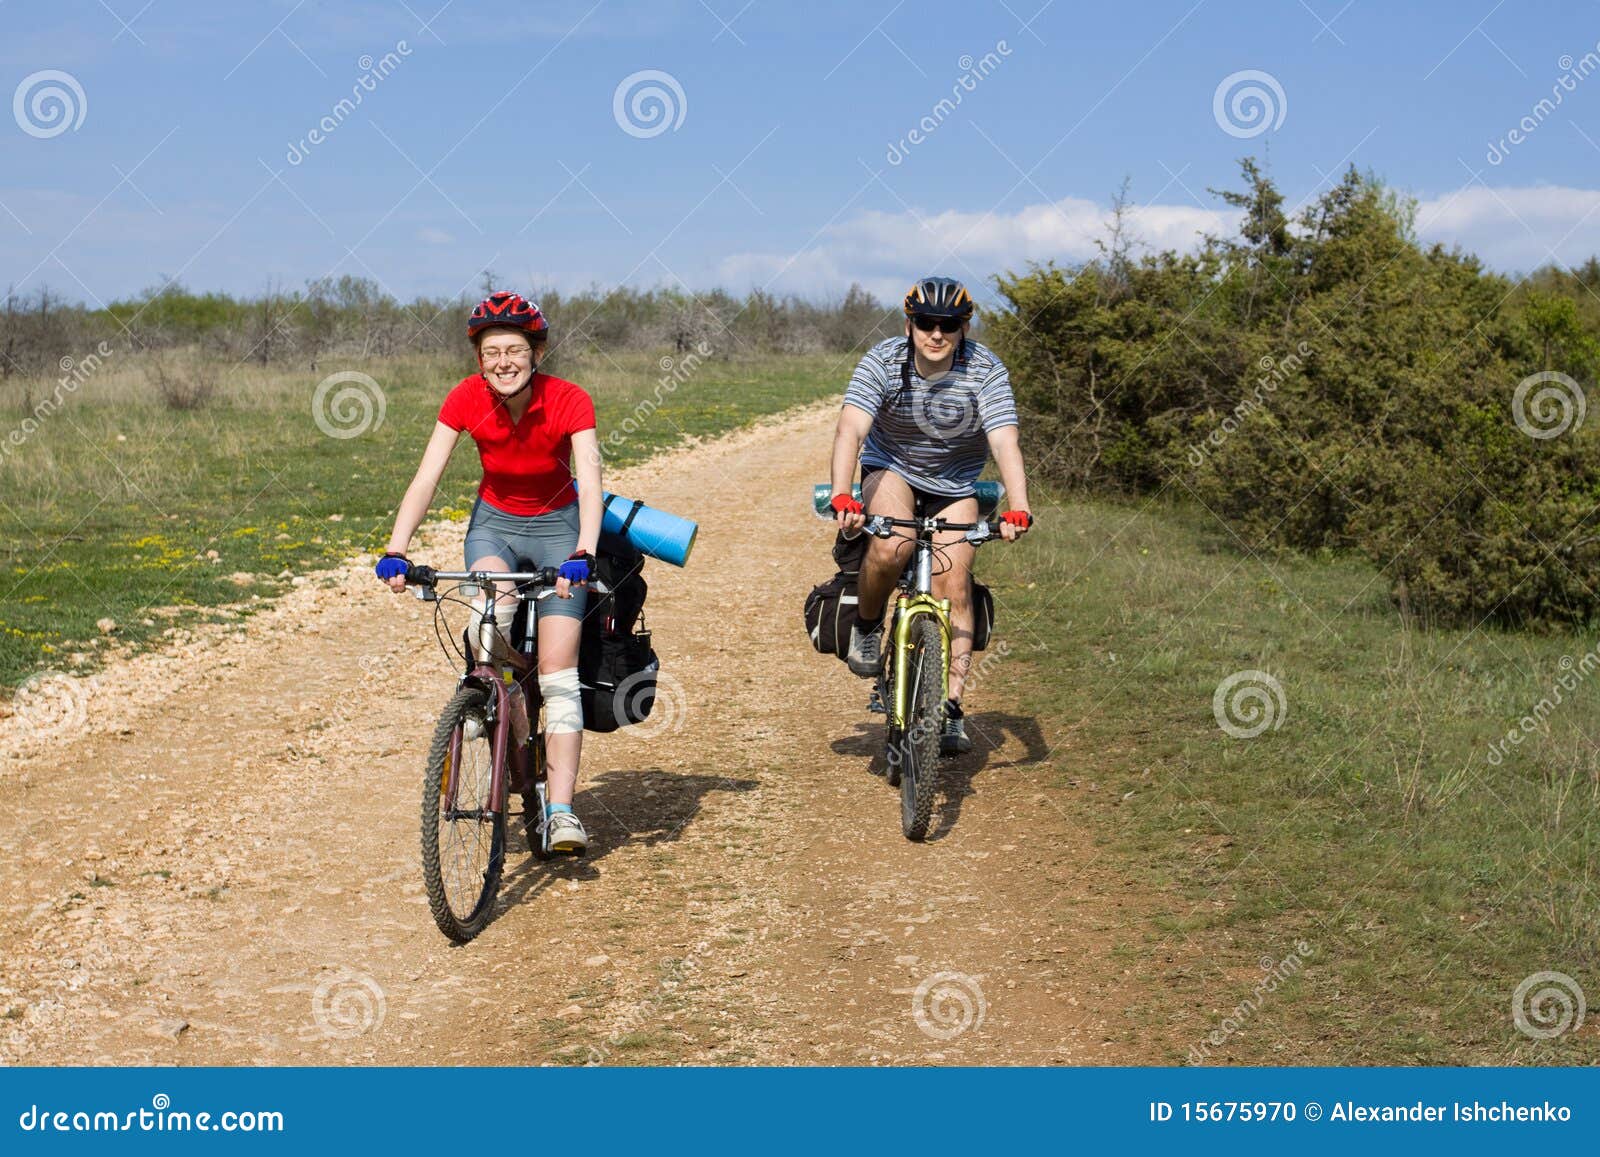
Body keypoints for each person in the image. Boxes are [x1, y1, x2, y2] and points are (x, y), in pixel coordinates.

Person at [376, 291, 602, 852]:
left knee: (558, 673)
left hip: (560, 530)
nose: (504, 362)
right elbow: (427, 477)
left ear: (537, 353)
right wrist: (397, 548)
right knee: (489, 612)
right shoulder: (464, 398)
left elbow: (592, 480)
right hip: (494, 526)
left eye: (516, 350)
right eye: (492, 351)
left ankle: (563, 812)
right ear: (479, 358)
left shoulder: (570, 399)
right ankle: (495, 694)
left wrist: (585, 551)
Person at [828, 276, 1033, 755]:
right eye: (925, 323)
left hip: (957, 481)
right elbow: (850, 430)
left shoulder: (985, 368)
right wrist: (843, 496)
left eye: (948, 325)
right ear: (909, 324)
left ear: (964, 328)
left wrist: (1019, 507)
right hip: (892, 468)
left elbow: (1005, 440)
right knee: (892, 545)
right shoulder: (883, 360)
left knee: (955, 582)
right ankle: (868, 623)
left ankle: (950, 710)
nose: (935, 334)